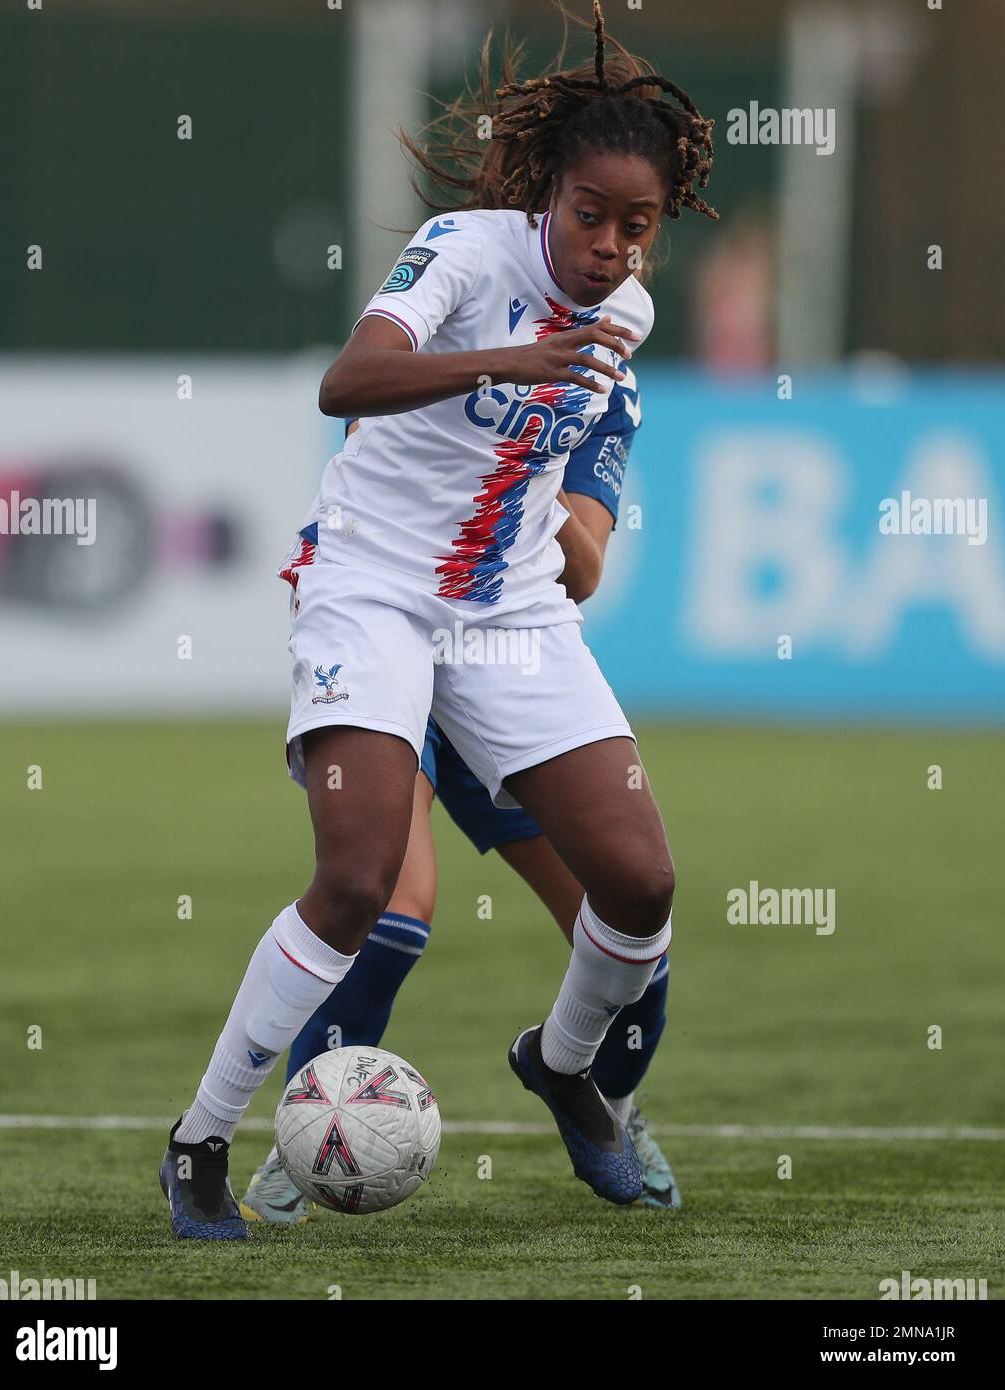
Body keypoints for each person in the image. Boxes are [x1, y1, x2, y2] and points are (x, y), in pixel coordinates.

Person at [160, 0, 716, 1239]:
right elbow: (344, 381)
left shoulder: (627, 320)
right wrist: (498, 365)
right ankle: (204, 1138)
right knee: (359, 883)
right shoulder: (464, 250)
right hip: (368, 587)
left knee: (639, 883)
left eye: (638, 226)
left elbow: (577, 475)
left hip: (505, 610)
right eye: (591, 216)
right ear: (548, 198)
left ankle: (567, 1068)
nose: (612, 247)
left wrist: (582, 526)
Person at [242, 371, 680, 1224]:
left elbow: (581, 570)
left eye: (631, 230)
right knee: (392, 908)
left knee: (633, 921)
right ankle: (304, 1140)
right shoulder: (436, 330)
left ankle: (610, 1106)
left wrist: (526, 467)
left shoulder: (605, 388)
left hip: (506, 670)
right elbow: (382, 491)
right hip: (395, 650)